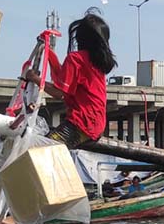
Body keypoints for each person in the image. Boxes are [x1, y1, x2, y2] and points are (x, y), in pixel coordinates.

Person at [25, 8, 115, 148]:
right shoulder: (96, 62)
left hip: (81, 123)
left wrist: (34, 78)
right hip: (95, 124)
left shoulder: (76, 59)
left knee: (41, 149)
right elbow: (64, 79)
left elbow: (58, 93)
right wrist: (48, 53)